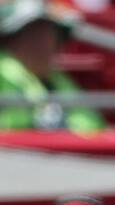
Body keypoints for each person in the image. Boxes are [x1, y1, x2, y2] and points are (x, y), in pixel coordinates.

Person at [0, 0, 105, 131]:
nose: (44, 44)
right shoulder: (3, 75)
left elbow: (92, 128)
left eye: (51, 35)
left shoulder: (60, 82)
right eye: (33, 34)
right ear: (10, 39)